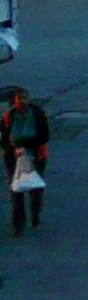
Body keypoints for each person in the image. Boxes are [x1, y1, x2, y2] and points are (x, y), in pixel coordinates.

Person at [3, 87, 48, 236]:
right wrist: (12, 147)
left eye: (24, 98)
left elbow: (44, 136)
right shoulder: (8, 117)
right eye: (19, 99)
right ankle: (18, 224)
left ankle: (35, 215)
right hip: (13, 158)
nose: (22, 101)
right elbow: (3, 139)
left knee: (35, 189)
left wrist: (24, 143)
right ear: (14, 102)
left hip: (35, 156)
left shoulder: (38, 115)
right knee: (16, 190)